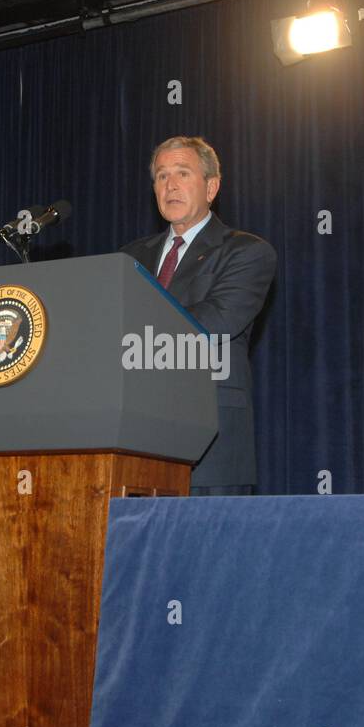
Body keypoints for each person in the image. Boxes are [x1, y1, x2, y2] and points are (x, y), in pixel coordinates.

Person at [121, 136, 276, 495]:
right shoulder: (129, 256)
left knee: (211, 552)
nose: (170, 185)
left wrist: (129, 329)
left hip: (211, 443)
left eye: (182, 173)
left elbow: (218, 320)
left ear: (211, 186)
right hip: (136, 437)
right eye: (161, 176)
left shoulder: (247, 251)